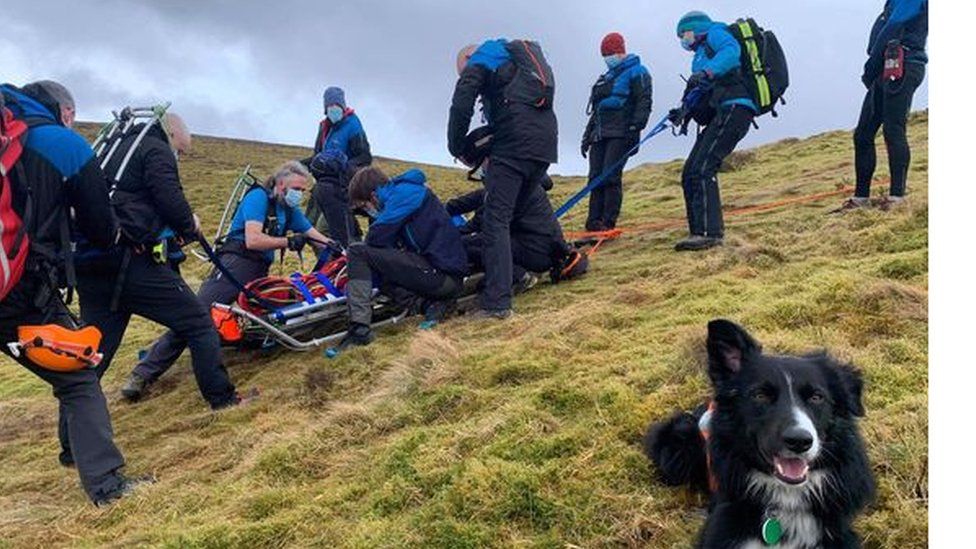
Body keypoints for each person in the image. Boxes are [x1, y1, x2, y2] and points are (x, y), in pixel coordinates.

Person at [0, 81, 153, 506]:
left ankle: (75, 454)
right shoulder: (63, 144)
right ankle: (107, 487)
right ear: (63, 110)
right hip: (21, 292)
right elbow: (102, 229)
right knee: (78, 377)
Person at [73, 111, 251, 419]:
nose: (179, 157)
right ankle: (222, 400)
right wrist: (188, 227)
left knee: (93, 355)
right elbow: (169, 196)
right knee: (198, 322)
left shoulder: (117, 148)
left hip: (92, 263)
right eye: (180, 151)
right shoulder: (155, 147)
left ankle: (70, 444)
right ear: (171, 135)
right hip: (130, 262)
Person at [120, 161, 332, 401]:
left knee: (246, 316)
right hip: (236, 263)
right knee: (196, 315)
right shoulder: (258, 198)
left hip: (258, 268)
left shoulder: (287, 208)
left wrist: (334, 248)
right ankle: (143, 374)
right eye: (297, 189)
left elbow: (312, 233)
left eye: (303, 191)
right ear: (281, 183)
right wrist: (288, 242)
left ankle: (213, 348)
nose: (299, 195)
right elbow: (253, 239)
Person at [448, 38, 558, 319]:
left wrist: (456, 146)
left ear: (469, 58)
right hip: (543, 148)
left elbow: (462, 102)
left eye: (463, 70)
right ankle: (523, 272)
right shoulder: (518, 64)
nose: (465, 75)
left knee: (497, 222)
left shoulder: (480, 60)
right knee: (507, 216)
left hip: (512, 148)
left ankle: (497, 303)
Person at [336, 166, 469, 350]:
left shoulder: (404, 195)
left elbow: (377, 237)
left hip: (443, 276)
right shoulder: (402, 194)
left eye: (364, 206)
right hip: (438, 274)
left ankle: (359, 329)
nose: (367, 212)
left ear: (373, 196)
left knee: (357, 253)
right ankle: (431, 305)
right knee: (377, 265)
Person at [671, 11, 757, 252]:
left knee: (703, 166)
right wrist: (683, 111)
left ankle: (711, 233)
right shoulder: (699, 55)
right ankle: (697, 230)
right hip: (720, 110)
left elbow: (731, 52)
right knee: (690, 171)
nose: (682, 40)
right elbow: (702, 91)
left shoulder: (716, 33)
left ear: (695, 29)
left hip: (735, 106)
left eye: (683, 34)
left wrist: (708, 72)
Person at [838, 0, 927, 212]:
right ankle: (861, 199)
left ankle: (897, 198)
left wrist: (871, 64)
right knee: (863, 134)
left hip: (903, 63)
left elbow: (894, 25)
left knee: (893, 129)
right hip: (885, 66)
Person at [446, 175, 587, 288]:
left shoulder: (508, 192)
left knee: (465, 246)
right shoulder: (524, 181)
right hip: (546, 248)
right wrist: (443, 208)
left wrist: (449, 235)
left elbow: (481, 221)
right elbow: (475, 199)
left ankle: (518, 275)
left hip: (535, 253)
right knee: (473, 242)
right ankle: (507, 274)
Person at [581, 32, 653, 231]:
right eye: (605, 54)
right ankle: (593, 222)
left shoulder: (638, 71)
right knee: (595, 177)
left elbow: (644, 100)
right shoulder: (605, 78)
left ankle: (608, 221)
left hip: (621, 132)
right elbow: (595, 111)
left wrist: (635, 127)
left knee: (610, 176)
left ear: (621, 51)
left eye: (610, 53)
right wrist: (587, 137)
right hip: (600, 134)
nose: (607, 58)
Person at [303, 86, 372, 237]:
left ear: (343, 106)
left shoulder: (353, 125)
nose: (334, 109)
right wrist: (299, 166)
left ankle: (353, 253)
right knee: (311, 228)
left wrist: (341, 167)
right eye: (330, 106)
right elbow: (317, 156)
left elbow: (365, 157)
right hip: (324, 186)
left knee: (324, 229)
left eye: (337, 106)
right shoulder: (324, 127)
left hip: (343, 186)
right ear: (325, 108)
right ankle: (352, 247)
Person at [308, 148, 361, 248]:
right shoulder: (345, 177)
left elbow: (340, 225)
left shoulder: (326, 189)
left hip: (346, 242)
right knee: (323, 230)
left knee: (324, 231)